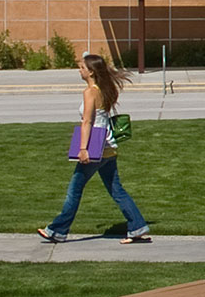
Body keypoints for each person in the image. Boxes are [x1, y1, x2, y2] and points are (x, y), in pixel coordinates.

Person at [37, 52, 151, 244]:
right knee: (116, 190)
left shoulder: (90, 92)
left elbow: (88, 121)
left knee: (75, 189)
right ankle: (137, 226)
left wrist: (83, 149)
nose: (79, 70)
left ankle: (57, 230)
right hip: (108, 146)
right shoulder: (105, 90)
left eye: (82, 67)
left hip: (94, 148)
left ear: (91, 72)